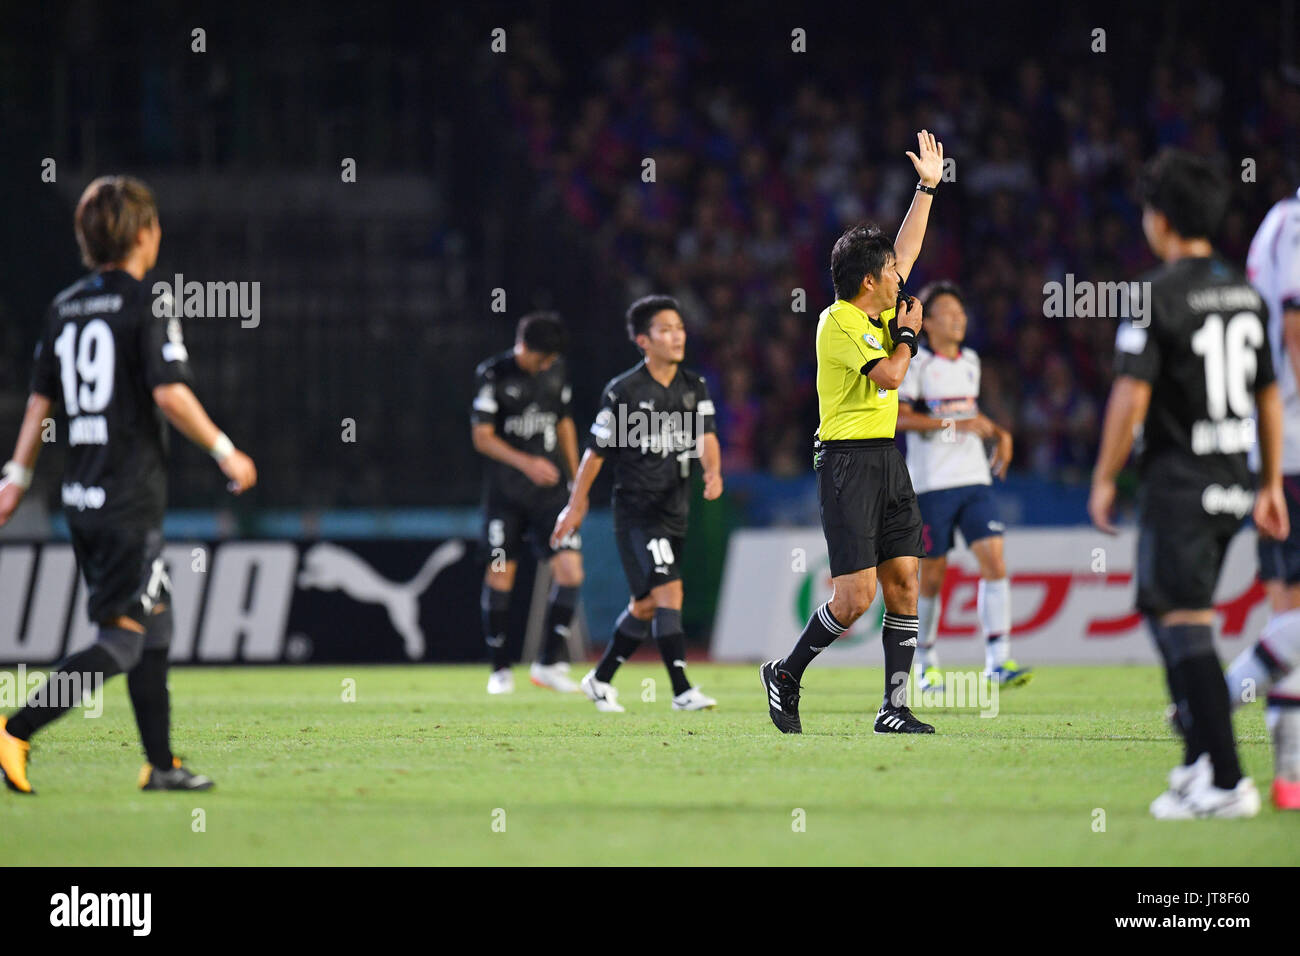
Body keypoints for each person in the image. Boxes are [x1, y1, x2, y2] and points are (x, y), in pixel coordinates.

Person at [0, 175, 257, 794]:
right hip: (125, 499)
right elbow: (169, 392)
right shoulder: (148, 302)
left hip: (84, 497)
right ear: (145, 233)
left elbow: (41, 402)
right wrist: (227, 450)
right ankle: (17, 728)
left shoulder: (65, 307)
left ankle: (162, 766)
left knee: (155, 626)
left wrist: (15, 477)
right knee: (120, 639)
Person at [1089, 149, 1288, 819]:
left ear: (1161, 219)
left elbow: (1130, 395)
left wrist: (1104, 478)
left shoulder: (1154, 294)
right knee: (1166, 609)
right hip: (1235, 476)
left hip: (1183, 477)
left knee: (1185, 620)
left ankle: (1227, 781)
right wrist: (1268, 483)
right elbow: (1267, 394)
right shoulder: (1241, 291)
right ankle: (1197, 762)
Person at [761, 130, 944, 735]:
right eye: (889, 271)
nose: (901, 275)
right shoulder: (838, 322)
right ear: (870, 282)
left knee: (905, 584)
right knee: (855, 598)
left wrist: (926, 188)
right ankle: (786, 674)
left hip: (887, 459)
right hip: (846, 463)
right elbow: (891, 375)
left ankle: (894, 707)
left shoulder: (875, 306)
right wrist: (912, 334)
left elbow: (907, 250)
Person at [551, 295, 722, 713]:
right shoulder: (624, 391)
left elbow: (707, 435)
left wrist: (713, 471)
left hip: (676, 509)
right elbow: (595, 452)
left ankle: (600, 678)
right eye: (665, 329)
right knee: (670, 592)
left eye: (679, 327)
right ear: (643, 340)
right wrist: (576, 505)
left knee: (646, 604)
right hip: (637, 514)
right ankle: (681, 689)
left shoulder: (693, 387)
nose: (676, 335)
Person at [896, 280, 1031, 691]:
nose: (959, 319)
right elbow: (900, 419)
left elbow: (970, 415)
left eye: (962, 313)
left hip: (974, 479)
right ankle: (927, 662)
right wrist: (956, 424)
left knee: (994, 561)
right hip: (932, 484)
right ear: (928, 324)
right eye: (949, 313)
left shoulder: (971, 360)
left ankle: (999, 659)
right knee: (933, 577)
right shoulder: (916, 365)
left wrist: (999, 434)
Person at [1222, 186, 1300, 809]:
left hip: (1278, 444)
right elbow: (1296, 330)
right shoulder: (1295, 226)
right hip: (1294, 441)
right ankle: (1218, 697)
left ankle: (1291, 778)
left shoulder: (1276, 222)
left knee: (1289, 610)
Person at [471, 312, 585, 695]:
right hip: (506, 500)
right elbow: (482, 437)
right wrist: (527, 463)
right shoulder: (493, 374)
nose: (548, 364)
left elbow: (564, 423)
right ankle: (500, 669)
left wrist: (574, 482)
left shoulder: (556, 371)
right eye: (544, 357)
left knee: (570, 572)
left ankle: (549, 664)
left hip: (550, 499)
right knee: (501, 574)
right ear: (525, 348)